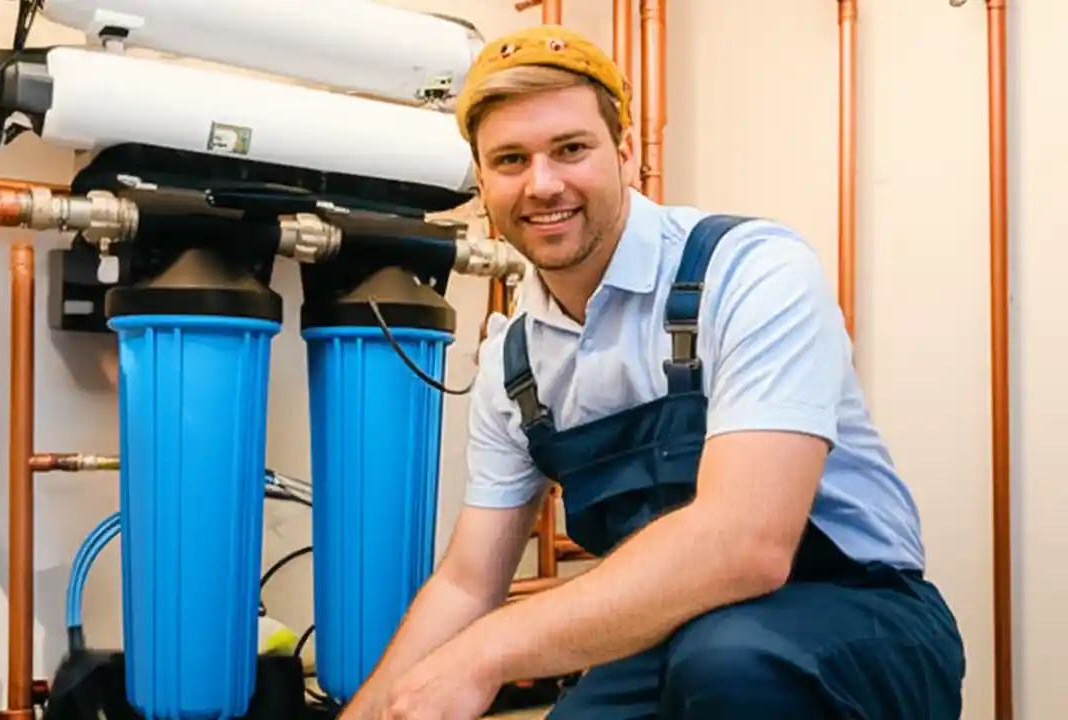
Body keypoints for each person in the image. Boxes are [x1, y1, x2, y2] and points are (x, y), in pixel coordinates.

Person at [339, 25, 966, 720]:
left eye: (570, 149)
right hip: (667, 635)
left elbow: (745, 544)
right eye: (511, 160)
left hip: (860, 620)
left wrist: (482, 655)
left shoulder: (749, 271)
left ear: (627, 154)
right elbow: (465, 585)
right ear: (482, 183)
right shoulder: (512, 366)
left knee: (731, 665)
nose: (543, 184)